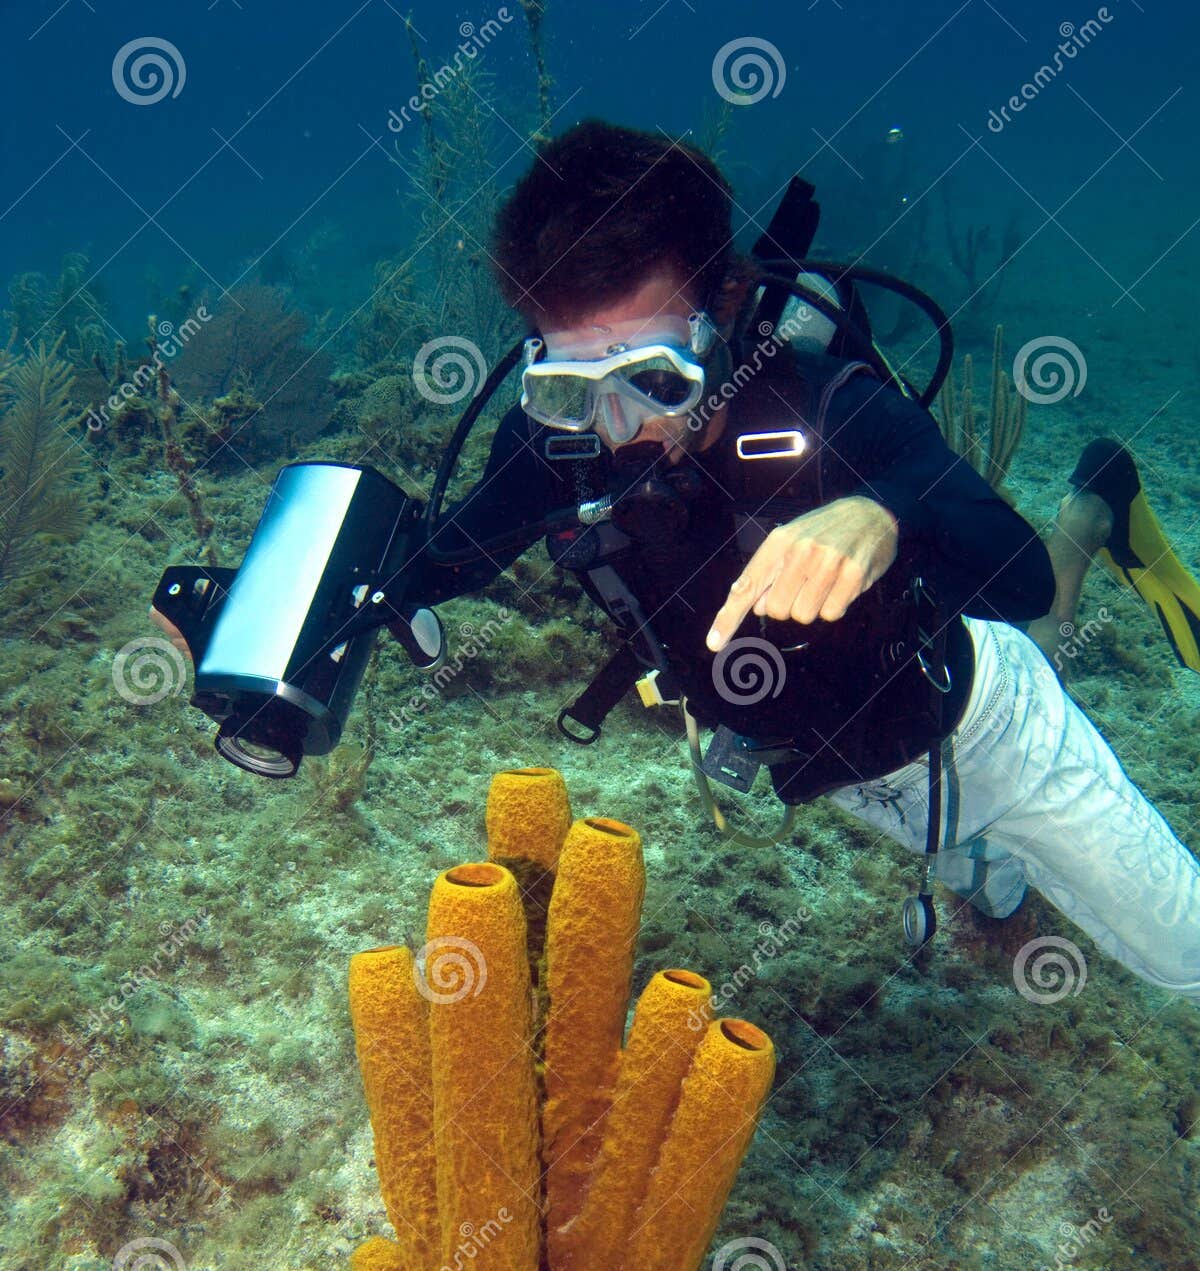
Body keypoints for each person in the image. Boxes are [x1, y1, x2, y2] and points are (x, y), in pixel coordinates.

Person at [153, 120, 1200, 999]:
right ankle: (985, 867)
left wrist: (885, 515)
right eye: (570, 385)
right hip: (834, 773)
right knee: (988, 885)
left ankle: (1093, 511)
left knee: (1181, 954)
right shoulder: (550, 446)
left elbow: (1006, 581)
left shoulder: (833, 408)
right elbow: (441, 563)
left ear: (726, 313)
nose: (612, 428)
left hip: (984, 730)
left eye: (649, 378)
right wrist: (257, 614)